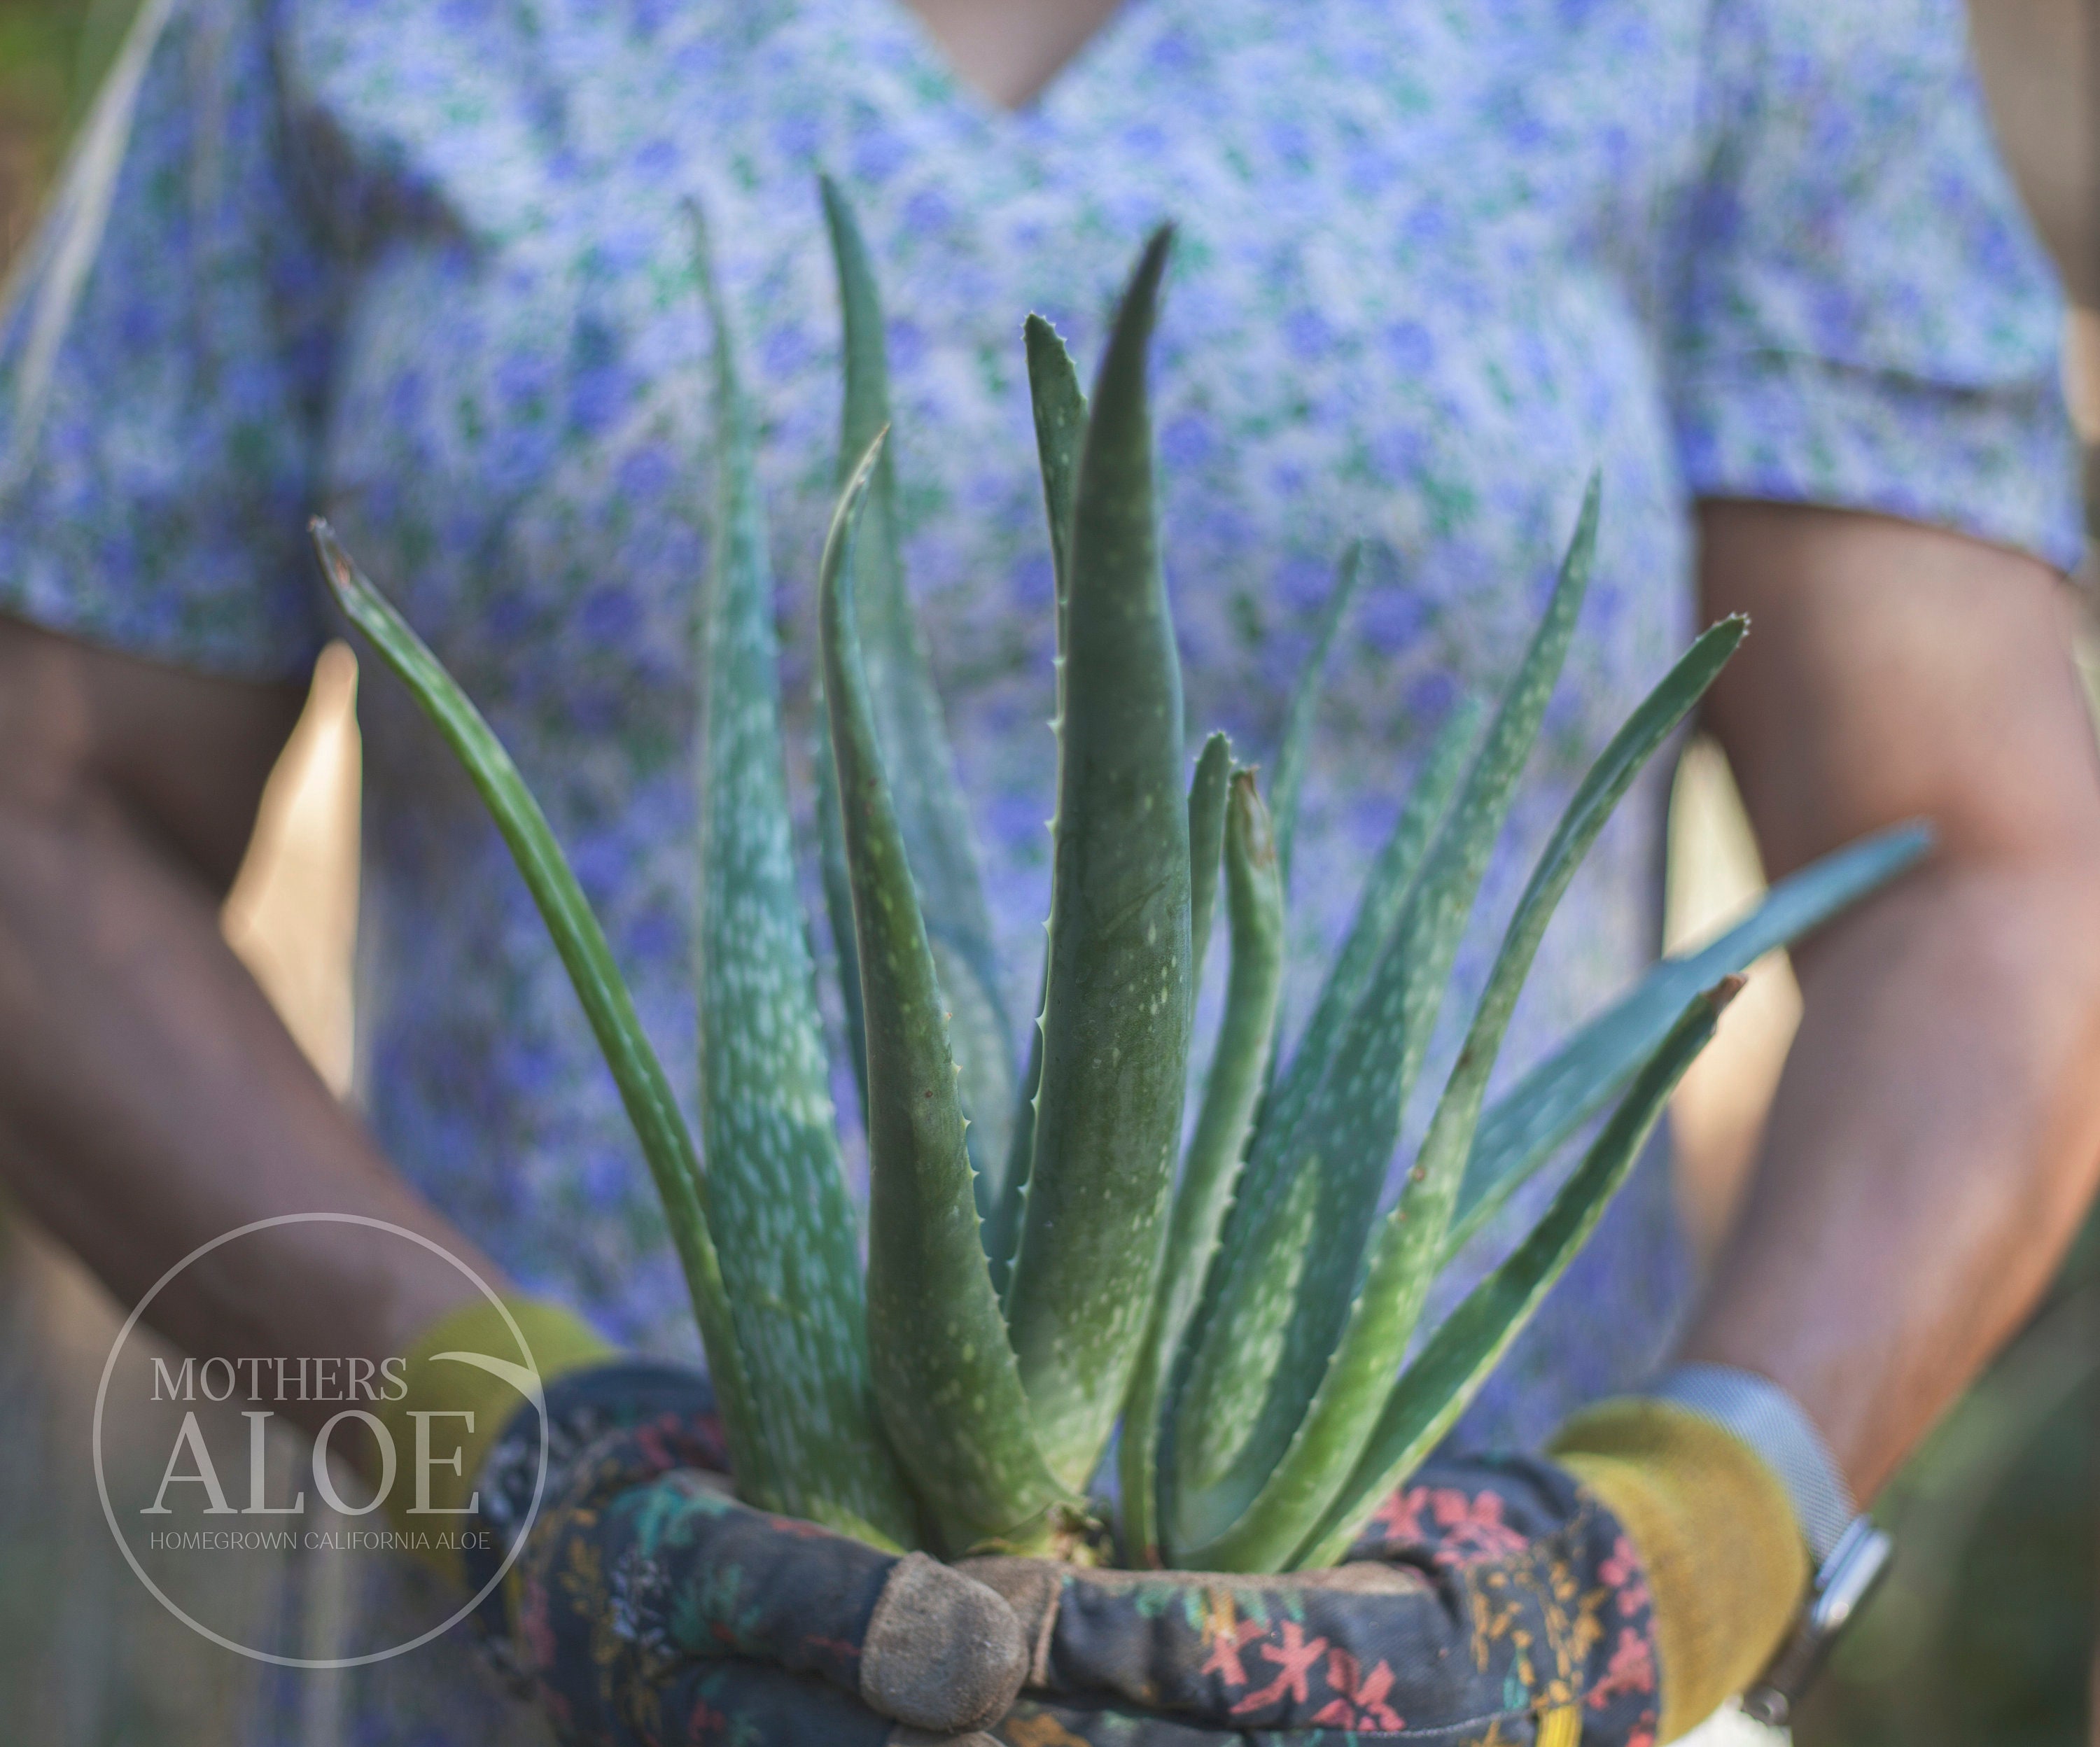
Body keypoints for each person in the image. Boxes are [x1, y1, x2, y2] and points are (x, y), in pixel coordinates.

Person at [2, 0, 2098, 1740]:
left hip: (1457, 1677)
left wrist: (1698, 1529)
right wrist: (476, 1430)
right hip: (563, 1674)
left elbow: (1985, 870)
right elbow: (46, 809)